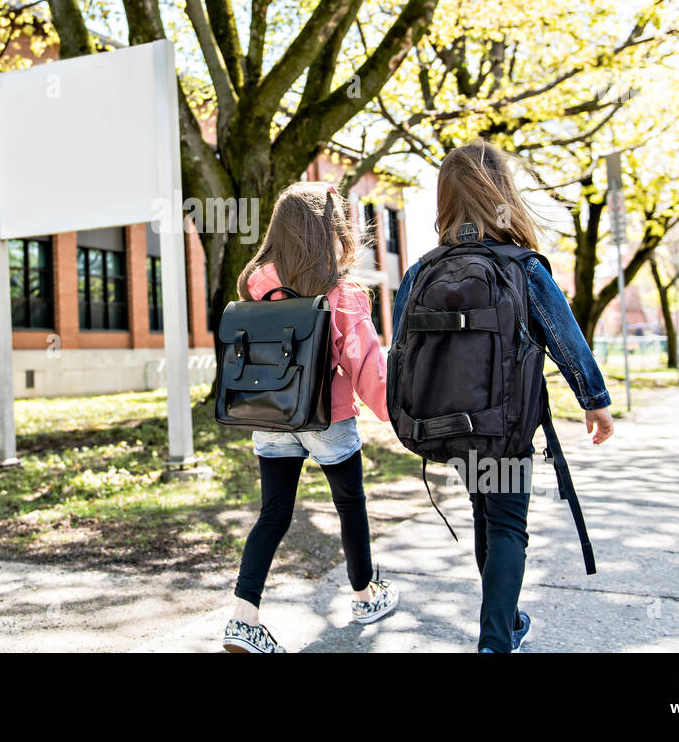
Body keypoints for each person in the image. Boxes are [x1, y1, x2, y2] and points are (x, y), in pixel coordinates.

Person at [392, 140, 615, 653]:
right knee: (508, 526)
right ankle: (495, 639)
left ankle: (507, 622)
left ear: (445, 199)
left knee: (483, 516)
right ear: (503, 194)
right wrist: (594, 399)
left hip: (448, 424)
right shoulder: (522, 266)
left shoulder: (421, 270)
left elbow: (398, 351)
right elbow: (565, 339)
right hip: (506, 427)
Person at [223, 181, 400, 653]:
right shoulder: (341, 291)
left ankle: (243, 618)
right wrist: (397, 416)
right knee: (350, 504)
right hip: (329, 417)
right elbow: (365, 365)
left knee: (273, 513)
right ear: (329, 230)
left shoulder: (254, 285)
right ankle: (364, 596)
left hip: (272, 414)